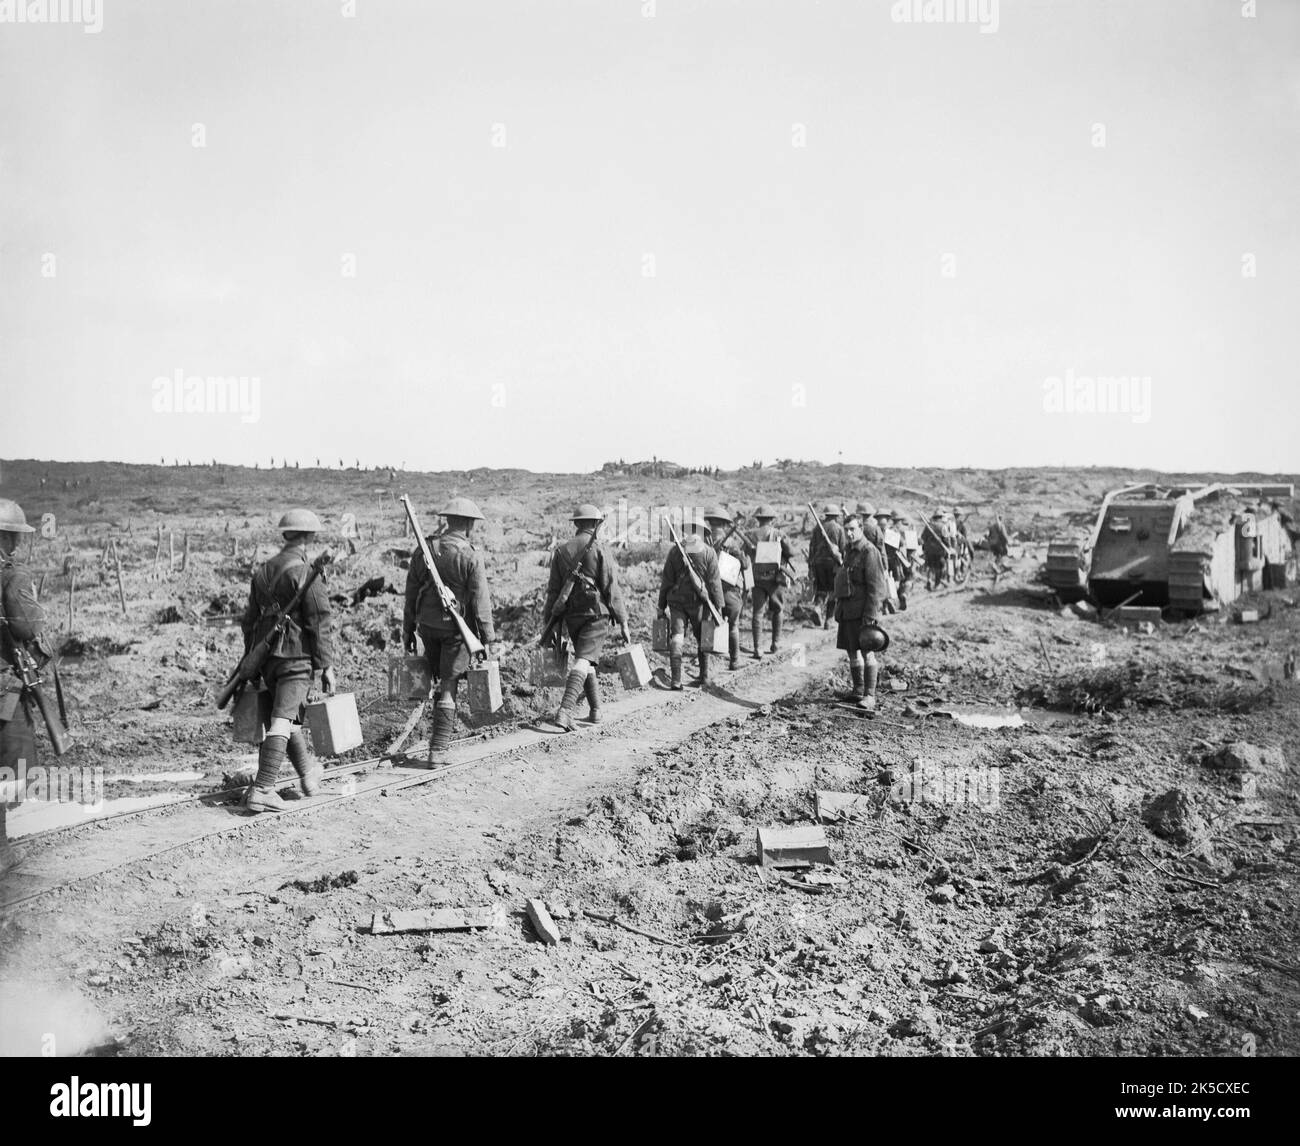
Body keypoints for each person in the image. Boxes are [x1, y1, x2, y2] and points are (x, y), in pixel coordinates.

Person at [239, 509, 335, 812]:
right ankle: (264, 787)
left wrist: (251, 660)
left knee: (286, 717)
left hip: (267, 658)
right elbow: (319, 621)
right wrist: (326, 666)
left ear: (286, 534)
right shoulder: (305, 571)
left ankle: (307, 775)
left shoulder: (264, 571)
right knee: (283, 720)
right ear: (308, 537)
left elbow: (249, 622)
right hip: (296, 658)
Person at [403, 497, 496, 765]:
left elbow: (410, 595)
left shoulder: (424, 548)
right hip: (456, 629)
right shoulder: (469, 554)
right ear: (468, 524)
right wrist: (487, 638)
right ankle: (438, 750)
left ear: (448, 521)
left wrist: (408, 630)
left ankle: (435, 744)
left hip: (427, 626)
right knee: (448, 685)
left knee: (434, 681)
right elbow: (480, 601)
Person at [543, 505, 630, 730]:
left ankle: (595, 710)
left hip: (572, 615)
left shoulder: (561, 551)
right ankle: (565, 710)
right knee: (584, 660)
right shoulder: (600, 548)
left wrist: (549, 622)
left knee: (586, 658)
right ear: (595, 524)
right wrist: (623, 620)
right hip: (595, 614)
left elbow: (553, 591)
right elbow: (611, 588)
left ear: (576, 523)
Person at [0, 500, 49, 861]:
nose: (17, 545)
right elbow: (28, 627)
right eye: (14, 537)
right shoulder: (13, 576)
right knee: (14, 765)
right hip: (5, 691)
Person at [658, 511, 725, 689]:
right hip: (700, 603)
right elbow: (714, 584)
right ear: (703, 532)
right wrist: (718, 607)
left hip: (676, 601)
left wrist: (661, 606)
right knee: (705, 638)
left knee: (677, 637)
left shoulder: (675, 551)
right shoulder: (709, 553)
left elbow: (666, 581)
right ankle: (704, 677)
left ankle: (676, 680)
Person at [834, 514, 890, 712]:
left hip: (864, 612)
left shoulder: (869, 551)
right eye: (846, 529)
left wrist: (871, 615)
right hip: (848, 610)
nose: (849, 533)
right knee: (851, 651)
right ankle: (858, 690)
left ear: (861, 529)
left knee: (868, 653)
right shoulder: (849, 551)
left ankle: (870, 696)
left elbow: (876, 587)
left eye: (853, 529)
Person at [704, 507, 751, 670]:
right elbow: (744, 565)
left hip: (708, 590)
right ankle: (734, 661)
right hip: (729, 591)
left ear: (710, 522)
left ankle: (706, 667)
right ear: (725, 524)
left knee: (707, 625)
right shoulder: (731, 543)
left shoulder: (703, 541)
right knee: (733, 626)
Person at [748, 506, 794, 658]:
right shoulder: (779, 534)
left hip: (756, 579)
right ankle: (775, 643)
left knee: (757, 613)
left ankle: (757, 648)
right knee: (778, 610)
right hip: (775, 579)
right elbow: (791, 553)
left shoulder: (750, 535)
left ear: (758, 519)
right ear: (772, 519)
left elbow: (744, 555)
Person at [807, 503, 846, 629]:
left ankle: (817, 608)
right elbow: (843, 548)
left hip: (818, 563)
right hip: (833, 564)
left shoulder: (817, 528)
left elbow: (811, 547)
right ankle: (829, 621)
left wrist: (810, 565)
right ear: (836, 516)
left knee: (821, 589)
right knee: (834, 591)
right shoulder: (839, 529)